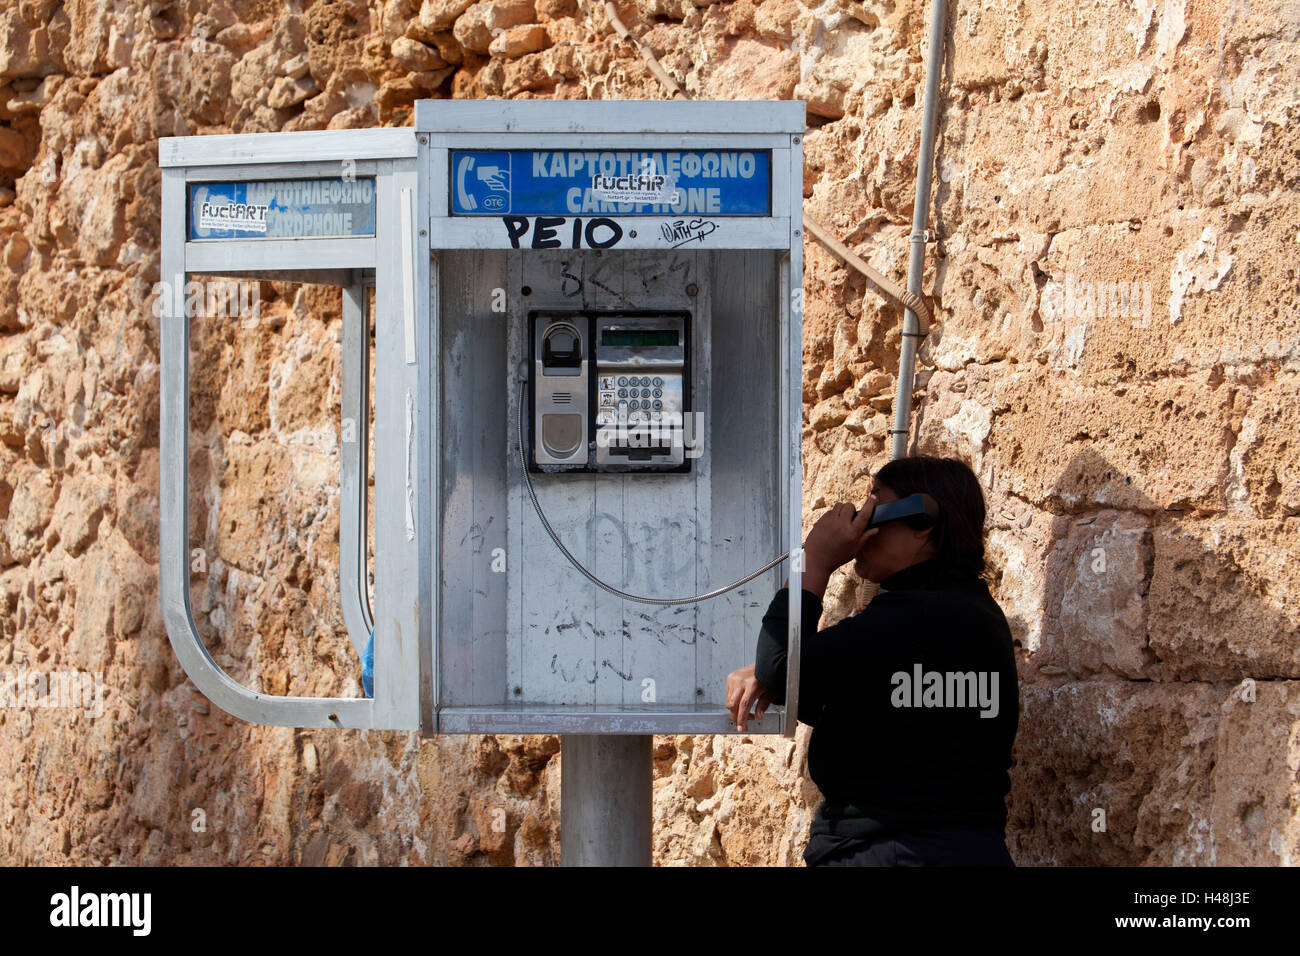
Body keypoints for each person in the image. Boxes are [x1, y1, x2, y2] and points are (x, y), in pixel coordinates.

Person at [725, 455, 1019, 867]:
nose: (861, 525)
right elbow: (826, 683)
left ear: (920, 520)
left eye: (873, 507)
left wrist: (816, 559)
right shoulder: (979, 617)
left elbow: (782, 669)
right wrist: (777, 667)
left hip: (887, 851)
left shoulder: (906, 620)